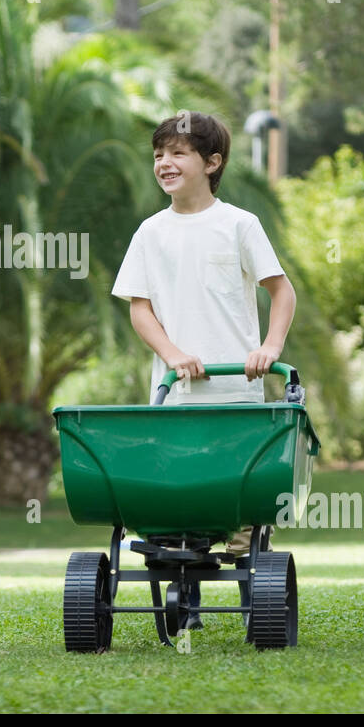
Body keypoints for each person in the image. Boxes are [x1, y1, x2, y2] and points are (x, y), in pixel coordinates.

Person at [112, 112, 297, 629]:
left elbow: (281, 291)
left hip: (236, 390)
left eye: (178, 153)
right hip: (175, 393)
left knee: (240, 506)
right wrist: (172, 354)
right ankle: (183, 596)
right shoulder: (150, 232)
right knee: (180, 497)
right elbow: (139, 308)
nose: (164, 163)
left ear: (212, 163)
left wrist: (269, 346)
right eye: (158, 155)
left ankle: (251, 570)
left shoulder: (239, 224)